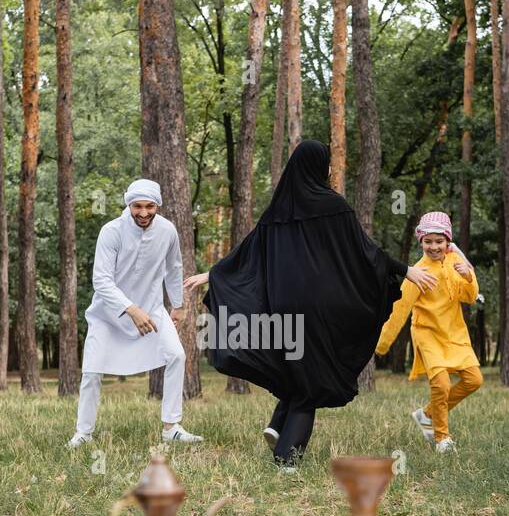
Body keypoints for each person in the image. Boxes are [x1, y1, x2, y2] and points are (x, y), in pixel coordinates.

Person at [184, 140, 436, 468]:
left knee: (297, 370)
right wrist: (407, 271)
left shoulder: (277, 211)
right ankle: (287, 458)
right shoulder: (334, 205)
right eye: (327, 163)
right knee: (313, 380)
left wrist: (213, 274)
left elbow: (248, 252)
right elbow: (367, 253)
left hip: (282, 308)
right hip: (321, 309)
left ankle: (277, 426)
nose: (331, 169)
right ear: (318, 166)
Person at [67, 178, 202, 448]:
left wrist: (178, 305)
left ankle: (171, 427)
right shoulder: (111, 231)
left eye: (150, 206)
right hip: (108, 314)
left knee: (176, 355)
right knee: (92, 371)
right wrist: (130, 309)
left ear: (158, 205)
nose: (143, 213)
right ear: (129, 204)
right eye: (137, 206)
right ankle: (83, 433)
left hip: (152, 310)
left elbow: (173, 268)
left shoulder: (168, 231)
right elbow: (101, 281)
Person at [375, 212, 482, 453]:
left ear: (447, 242)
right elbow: (399, 310)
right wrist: (381, 344)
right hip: (428, 335)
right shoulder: (418, 273)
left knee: (475, 380)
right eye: (428, 241)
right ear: (421, 242)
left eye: (439, 241)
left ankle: (426, 414)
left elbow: (471, 296)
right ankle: (441, 437)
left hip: (455, 334)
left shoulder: (456, 261)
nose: (434, 247)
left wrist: (468, 277)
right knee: (441, 385)